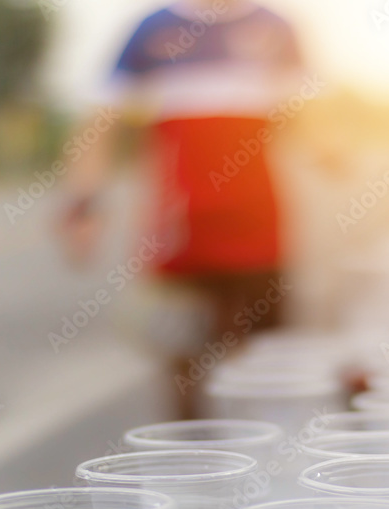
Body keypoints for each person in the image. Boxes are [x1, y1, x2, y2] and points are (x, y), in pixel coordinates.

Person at [58, 0, 305, 417]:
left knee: (266, 374)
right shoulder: (151, 31)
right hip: (180, 234)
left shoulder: (276, 28)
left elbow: (312, 121)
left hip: (261, 233)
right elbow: (99, 125)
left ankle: (262, 470)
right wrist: (83, 205)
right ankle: (192, 469)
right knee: (184, 373)